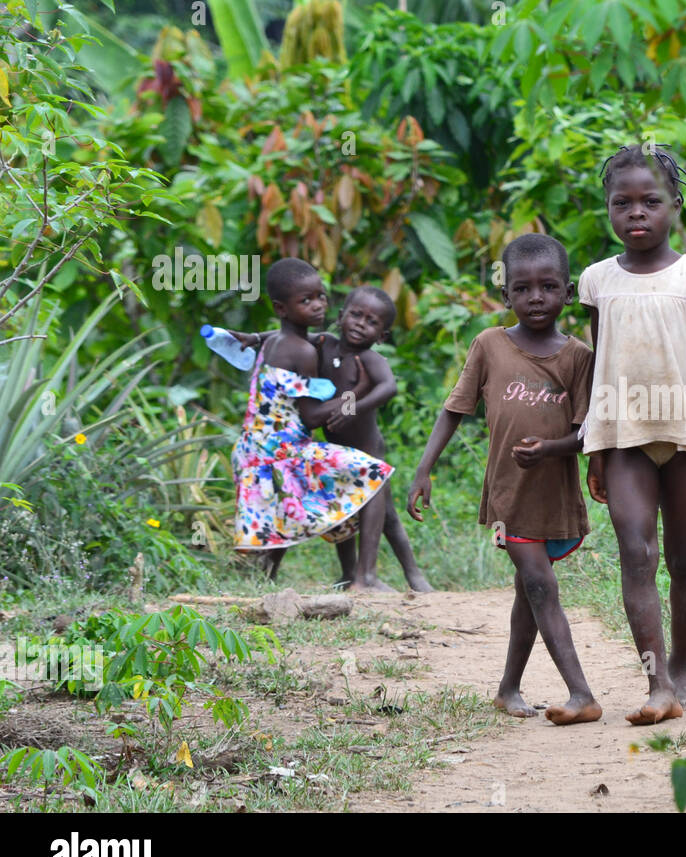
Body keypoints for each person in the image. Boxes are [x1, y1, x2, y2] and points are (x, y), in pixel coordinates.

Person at [581, 144, 686, 726]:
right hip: (624, 436)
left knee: (685, 560)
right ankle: (656, 684)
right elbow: (601, 358)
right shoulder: (597, 281)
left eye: (650, 202)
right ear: (607, 209)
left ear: (676, 206)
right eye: (621, 203)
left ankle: (681, 665)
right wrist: (595, 445)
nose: (636, 214)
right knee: (636, 552)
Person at [406, 234, 601, 726]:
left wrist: (551, 450)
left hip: (554, 498)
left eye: (548, 287)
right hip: (508, 497)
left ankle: (508, 688)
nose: (536, 298)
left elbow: (585, 433)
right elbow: (455, 409)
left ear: (568, 292)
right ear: (506, 295)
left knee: (527, 592)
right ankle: (581, 694)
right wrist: (423, 469)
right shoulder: (490, 344)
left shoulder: (578, 357)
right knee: (540, 584)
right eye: (523, 288)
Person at [230, 258, 392, 580]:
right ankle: (365, 578)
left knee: (288, 506)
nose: (318, 306)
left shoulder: (274, 341)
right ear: (281, 308)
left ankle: (267, 579)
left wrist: (253, 335)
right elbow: (313, 417)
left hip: (254, 450)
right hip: (282, 452)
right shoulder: (302, 351)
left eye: (321, 296)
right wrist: (355, 393)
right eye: (306, 301)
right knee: (373, 472)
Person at [315, 286, 432, 593]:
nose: (360, 324)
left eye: (371, 321)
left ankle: (412, 576)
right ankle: (349, 573)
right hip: (337, 455)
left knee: (388, 518)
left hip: (368, 454)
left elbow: (388, 387)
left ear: (382, 336)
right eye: (355, 315)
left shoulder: (370, 358)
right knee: (345, 512)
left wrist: (352, 406)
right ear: (340, 317)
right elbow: (287, 338)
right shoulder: (325, 346)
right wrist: (253, 339)